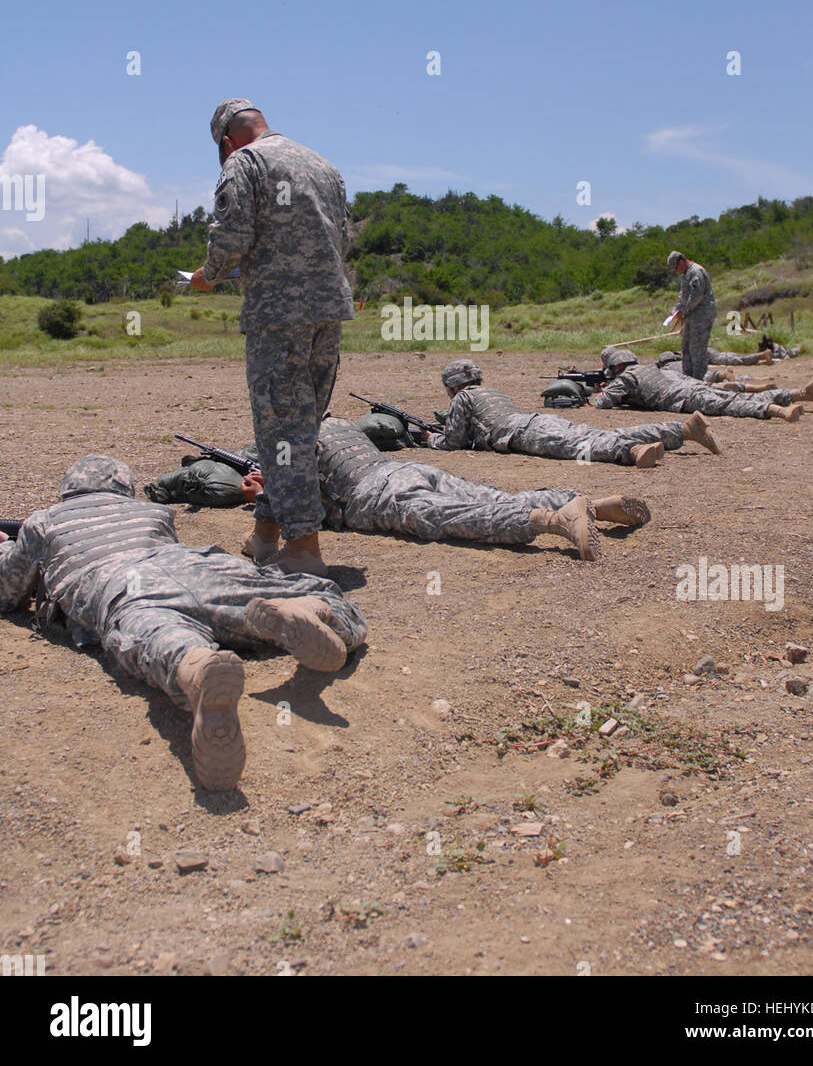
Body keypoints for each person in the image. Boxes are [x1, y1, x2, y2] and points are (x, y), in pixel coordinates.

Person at [0, 456, 367, 791]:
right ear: (123, 488)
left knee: (158, 631)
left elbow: (8, 592)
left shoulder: (43, 523)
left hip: (125, 585)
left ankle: (194, 665)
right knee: (286, 588)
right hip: (196, 564)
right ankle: (310, 608)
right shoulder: (153, 513)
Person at [190, 99, 355, 577]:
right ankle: (265, 537)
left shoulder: (245, 163)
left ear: (226, 140)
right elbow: (340, 238)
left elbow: (230, 236)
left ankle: (303, 548)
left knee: (282, 428)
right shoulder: (324, 165)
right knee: (299, 426)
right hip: (328, 309)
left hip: (278, 315)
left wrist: (208, 275)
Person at [242, 419, 653, 563]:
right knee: (489, 496)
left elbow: (289, 505)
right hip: (405, 469)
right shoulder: (336, 423)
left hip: (375, 497)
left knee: (457, 519)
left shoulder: (285, 435)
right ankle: (590, 504)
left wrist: (259, 502)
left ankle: (552, 520)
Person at [420, 359, 719, 466]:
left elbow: (453, 443)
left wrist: (426, 438)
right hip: (537, 423)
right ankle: (680, 429)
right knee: (599, 434)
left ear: (453, 385)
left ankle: (634, 452)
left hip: (527, 433)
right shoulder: (492, 392)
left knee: (584, 446)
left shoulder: (462, 399)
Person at [593, 347, 813, 422]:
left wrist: (602, 388)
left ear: (614, 367)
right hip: (693, 387)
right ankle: (799, 393)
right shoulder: (651, 367)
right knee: (734, 398)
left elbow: (603, 403)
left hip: (685, 398)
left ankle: (779, 410)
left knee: (731, 405)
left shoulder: (627, 378)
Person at [666, 251, 717, 379]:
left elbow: (696, 295)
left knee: (698, 348)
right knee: (687, 345)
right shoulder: (685, 275)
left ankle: (699, 378)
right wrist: (676, 309)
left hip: (701, 314)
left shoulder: (696, 272)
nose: (677, 271)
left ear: (682, 261)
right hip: (691, 315)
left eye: (677, 267)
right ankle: (688, 377)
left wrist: (684, 310)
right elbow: (683, 295)